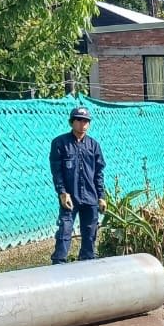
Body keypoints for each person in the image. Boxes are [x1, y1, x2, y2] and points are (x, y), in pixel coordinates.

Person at [49, 105, 106, 263]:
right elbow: (57, 171)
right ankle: (59, 264)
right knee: (65, 230)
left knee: (90, 232)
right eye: (79, 120)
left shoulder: (94, 145)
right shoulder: (60, 143)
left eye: (86, 121)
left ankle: (87, 262)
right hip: (70, 196)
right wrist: (62, 192)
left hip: (90, 196)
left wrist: (101, 196)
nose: (83, 124)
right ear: (71, 122)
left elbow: (99, 173)